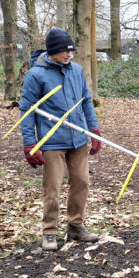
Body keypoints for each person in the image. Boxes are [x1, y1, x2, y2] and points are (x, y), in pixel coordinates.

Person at [19, 27, 101, 251]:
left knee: (82, 183)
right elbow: (27, 110)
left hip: (78, 138)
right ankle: (49, 231)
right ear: (52, 51)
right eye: (65, 51)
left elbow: (86, 101)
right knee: (53, 188)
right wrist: (30, 143)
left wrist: (93, 128)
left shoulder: (76, 70)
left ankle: (75, 226)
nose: (69, 55)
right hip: (52, 141)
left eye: (71, 51)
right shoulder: (36, 75)